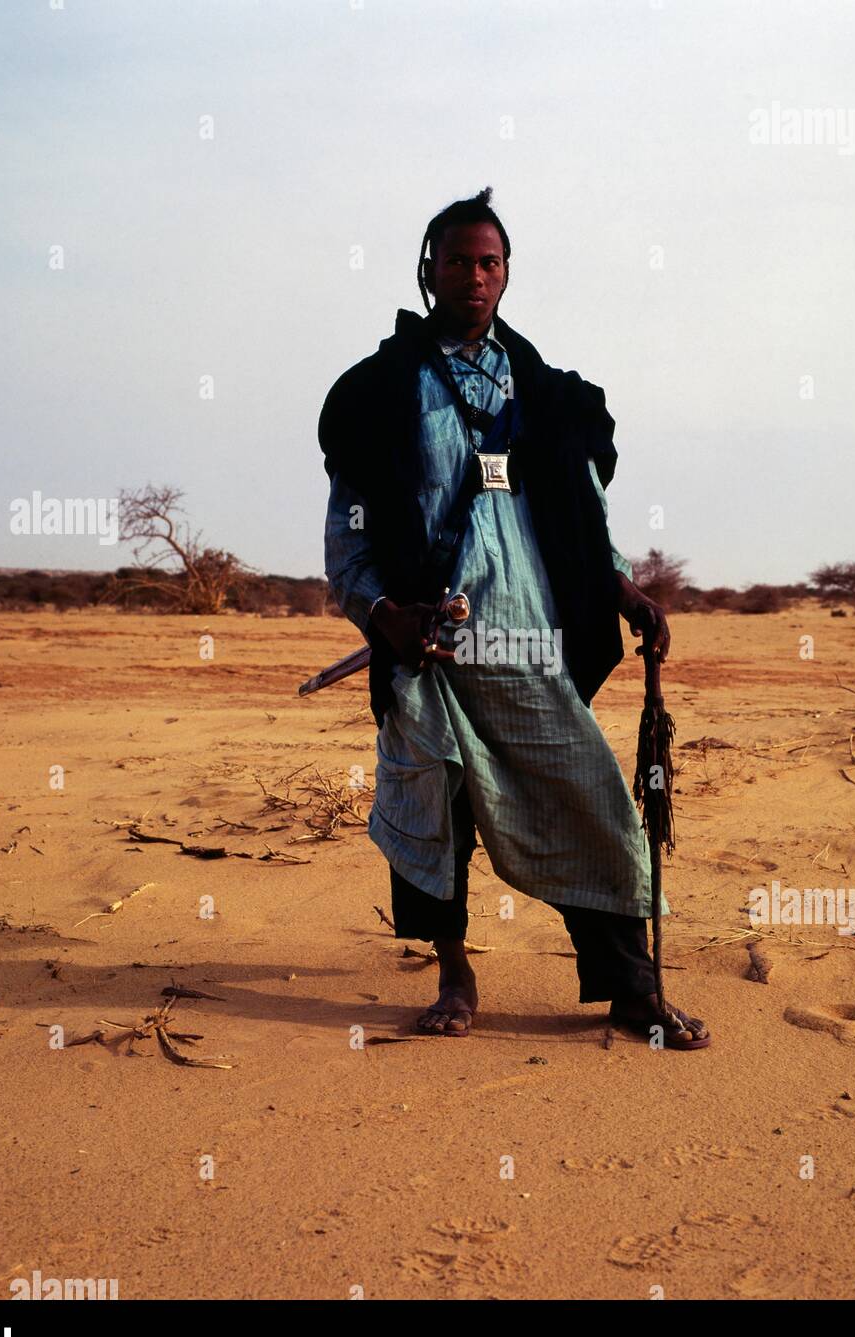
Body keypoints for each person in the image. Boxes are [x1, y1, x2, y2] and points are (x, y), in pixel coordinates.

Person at [319, 187, 708, 1050]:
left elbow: (584, 513)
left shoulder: (547, 394)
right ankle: (455, 975)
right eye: (456, 260)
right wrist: (381, 615)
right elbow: (347, 539)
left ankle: (629, 989)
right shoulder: (380, 393)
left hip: (527, 643)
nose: (473, 275)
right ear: (429, 270)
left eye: (488, 262)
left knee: (591, 799)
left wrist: (622, 588)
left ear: (507, 274)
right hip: (430, 645)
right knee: (435, 806)